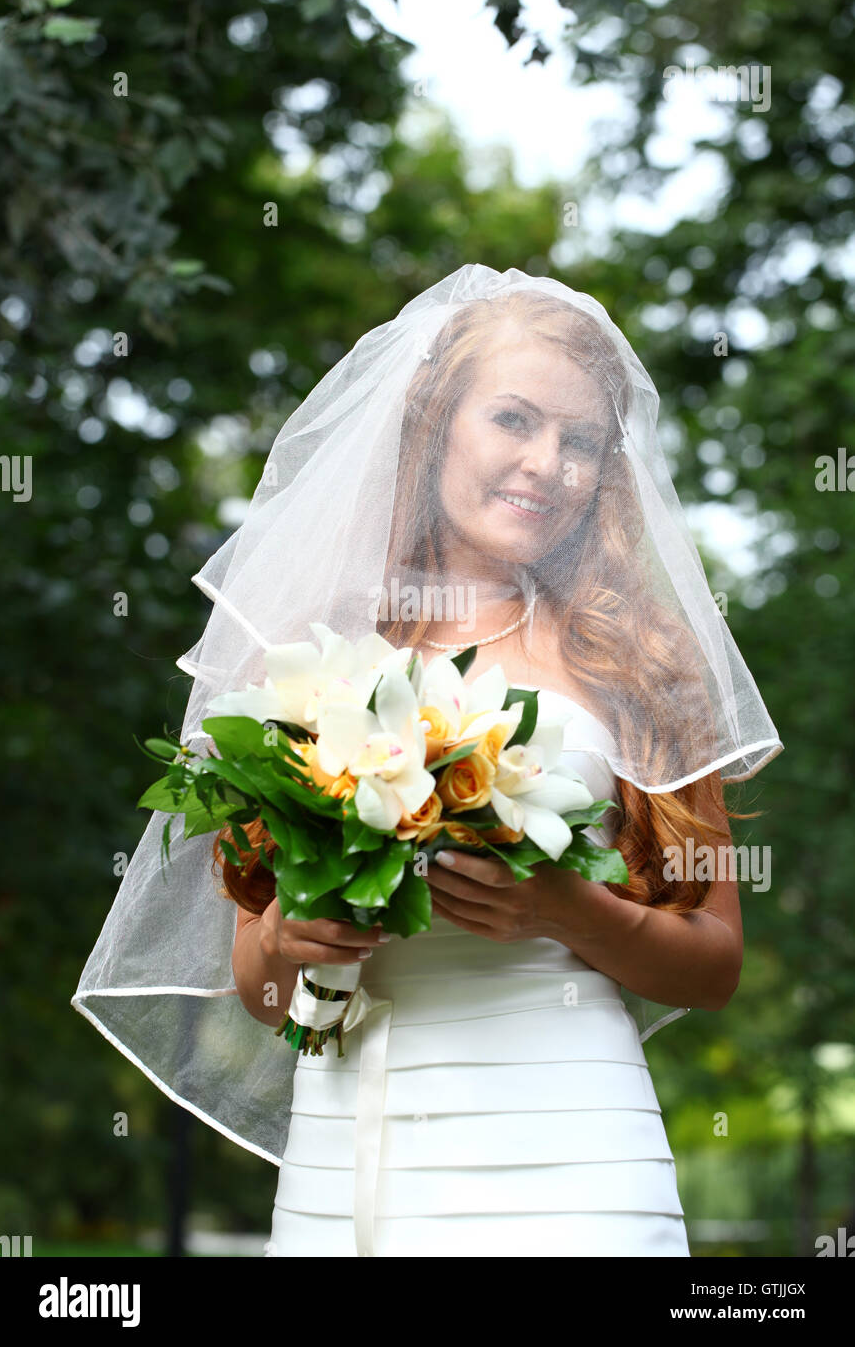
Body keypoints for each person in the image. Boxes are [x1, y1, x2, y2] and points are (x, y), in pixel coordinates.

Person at [72, 265, 783, 1258]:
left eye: (580, 441)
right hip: (347, 1153)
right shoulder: (311, 660)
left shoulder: (637, 658)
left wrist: (563, 908)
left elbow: (711, 964)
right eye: (512, 419)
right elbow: (268, 995)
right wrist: (289, 936)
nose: (546, 463)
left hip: (571, 1152)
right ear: (434, 421)